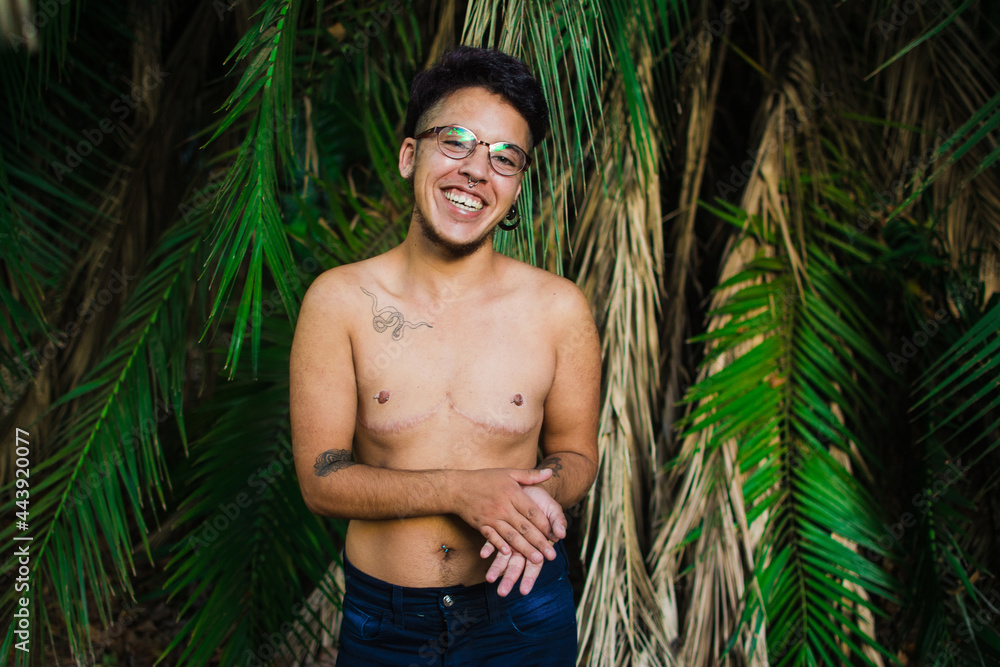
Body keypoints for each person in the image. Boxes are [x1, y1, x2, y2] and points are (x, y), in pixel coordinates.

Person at [290, 45, 600, 666]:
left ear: (516, 187)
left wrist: (540, 497)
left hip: (523, 616)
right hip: (387, 624)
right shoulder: (340, 301)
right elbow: (321, 481)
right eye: (456, 142)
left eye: (505, 158)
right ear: (411, 155)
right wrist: (462, 492)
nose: (477, 171)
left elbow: (576, 455)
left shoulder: (559, 309)